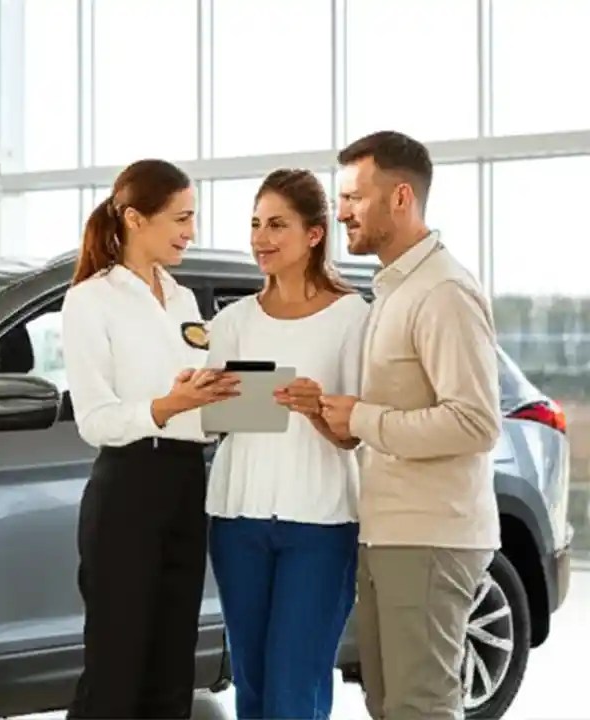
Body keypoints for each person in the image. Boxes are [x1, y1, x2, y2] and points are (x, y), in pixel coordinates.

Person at [318, 131, 502, 720]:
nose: (341, 210)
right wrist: (349, 427)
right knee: (387, 705)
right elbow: (403, 414)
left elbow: (475, 422)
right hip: (390, 532)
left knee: (418, 709)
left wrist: (366, 418)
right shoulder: (395, 289)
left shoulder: (442, 291)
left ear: (401, 197)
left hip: (429, 538)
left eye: (353, 196)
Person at [61, 158, 241, 719]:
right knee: (117, 671)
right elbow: (95, 419)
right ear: (136, 219)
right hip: (128, 488)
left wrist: (226, 398)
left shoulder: (184, 301)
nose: (191, 231)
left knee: (172, 669)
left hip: (187, 483)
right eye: (181, 218)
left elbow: (195, 409)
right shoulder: (91, 299)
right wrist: (168, 406)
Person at [203, 169, 370, 719]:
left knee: (294, 690)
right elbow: (209, 423)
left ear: (315, 234)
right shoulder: (231, 323)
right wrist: (201, 399)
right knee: (252, 685)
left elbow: (358, 432)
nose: (260, 238)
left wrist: (319, 409)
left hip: (320, 523)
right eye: (255, 224)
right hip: (236, 518)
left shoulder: (352, 318)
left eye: (277, 224)